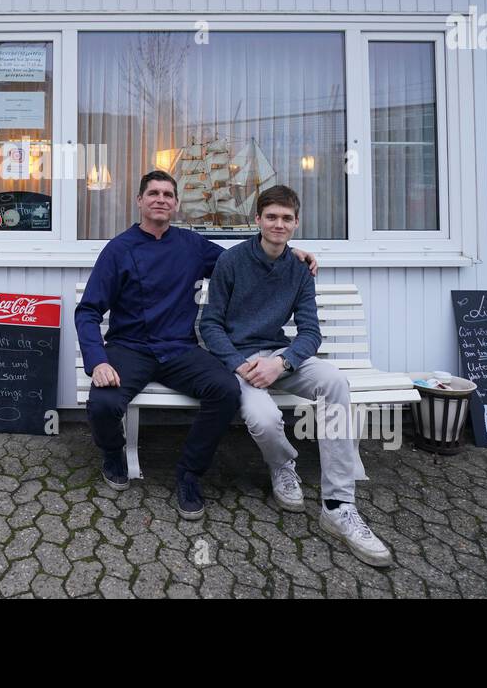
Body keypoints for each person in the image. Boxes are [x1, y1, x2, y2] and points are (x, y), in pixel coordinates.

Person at [75, 170, 316, 520]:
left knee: (225, 391)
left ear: (175, 205)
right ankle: (113, 453)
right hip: (130, 347)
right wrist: (98, 361)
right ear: (139, 201)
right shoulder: (118, 250)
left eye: (168, 194)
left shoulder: (190, 245)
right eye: (153, 193)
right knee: (103, 403)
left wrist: (290, 252)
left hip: (179, 349)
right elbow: (88, 311)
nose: (161, 199)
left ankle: (189, 473)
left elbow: (246, 259)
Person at [199, 185, 393, 567]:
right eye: (271, 216)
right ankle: (283, 464)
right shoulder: (232, 262)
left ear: (296, 223)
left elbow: (310, 331)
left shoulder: (300, 270)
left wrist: (283, 362)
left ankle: (338, 505)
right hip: (241, 362)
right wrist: (240, 364)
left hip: (280, 356)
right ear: (257, 220)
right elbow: (211, 325)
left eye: (286, 218)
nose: (279, 224)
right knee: (263, 419)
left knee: (334, 380)